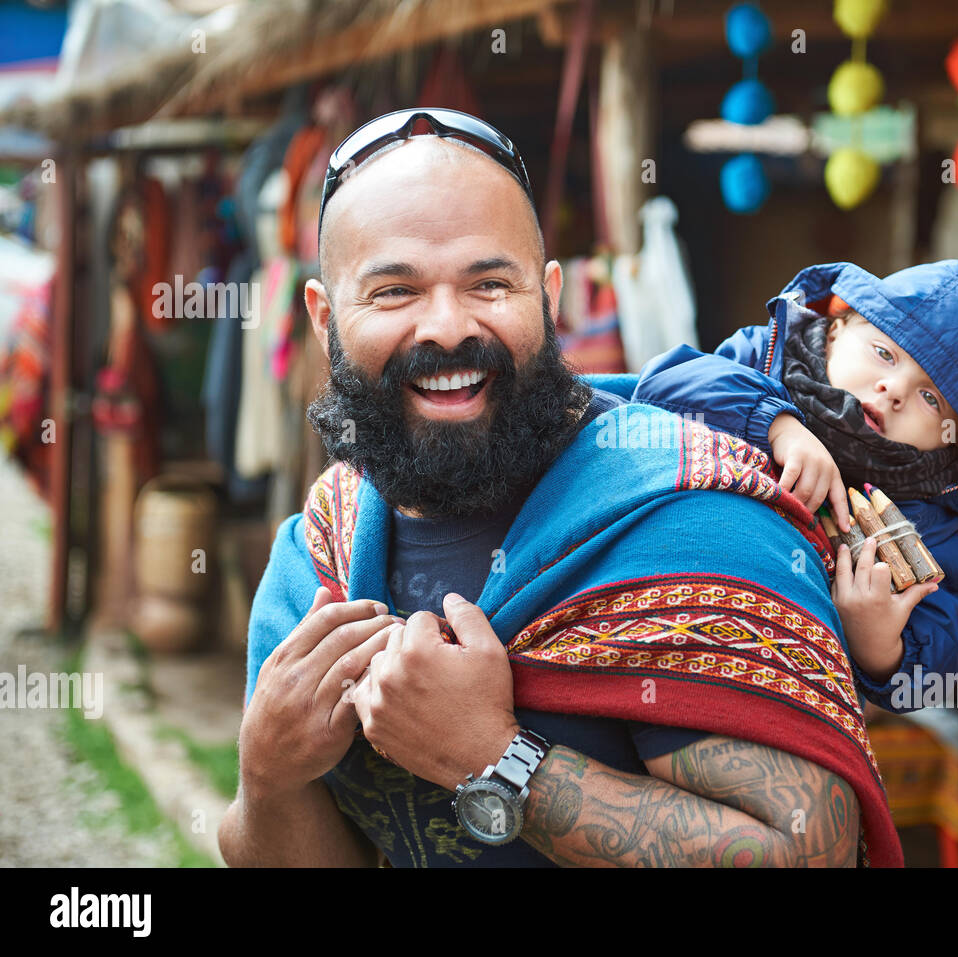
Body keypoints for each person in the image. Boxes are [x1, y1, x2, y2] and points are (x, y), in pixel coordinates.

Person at [218, 109, 902, 868]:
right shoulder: (319, 556)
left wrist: (494, 755)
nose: (447, 326)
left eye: (489, 283)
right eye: (393, 291)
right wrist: (267, 777)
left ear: (547, 301)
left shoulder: (692, 525)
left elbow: (815, 853)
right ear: (324, 320)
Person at [631, 261, 958, 712]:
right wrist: (777, 424)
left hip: (773, 683)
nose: (894, 389)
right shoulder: (766, 359)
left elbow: (932, 677)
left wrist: (879, 646)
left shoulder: (930, 519)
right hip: (659, 594)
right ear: (837, 329)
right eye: (885, 353)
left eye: (931, 398)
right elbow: (659, 383)